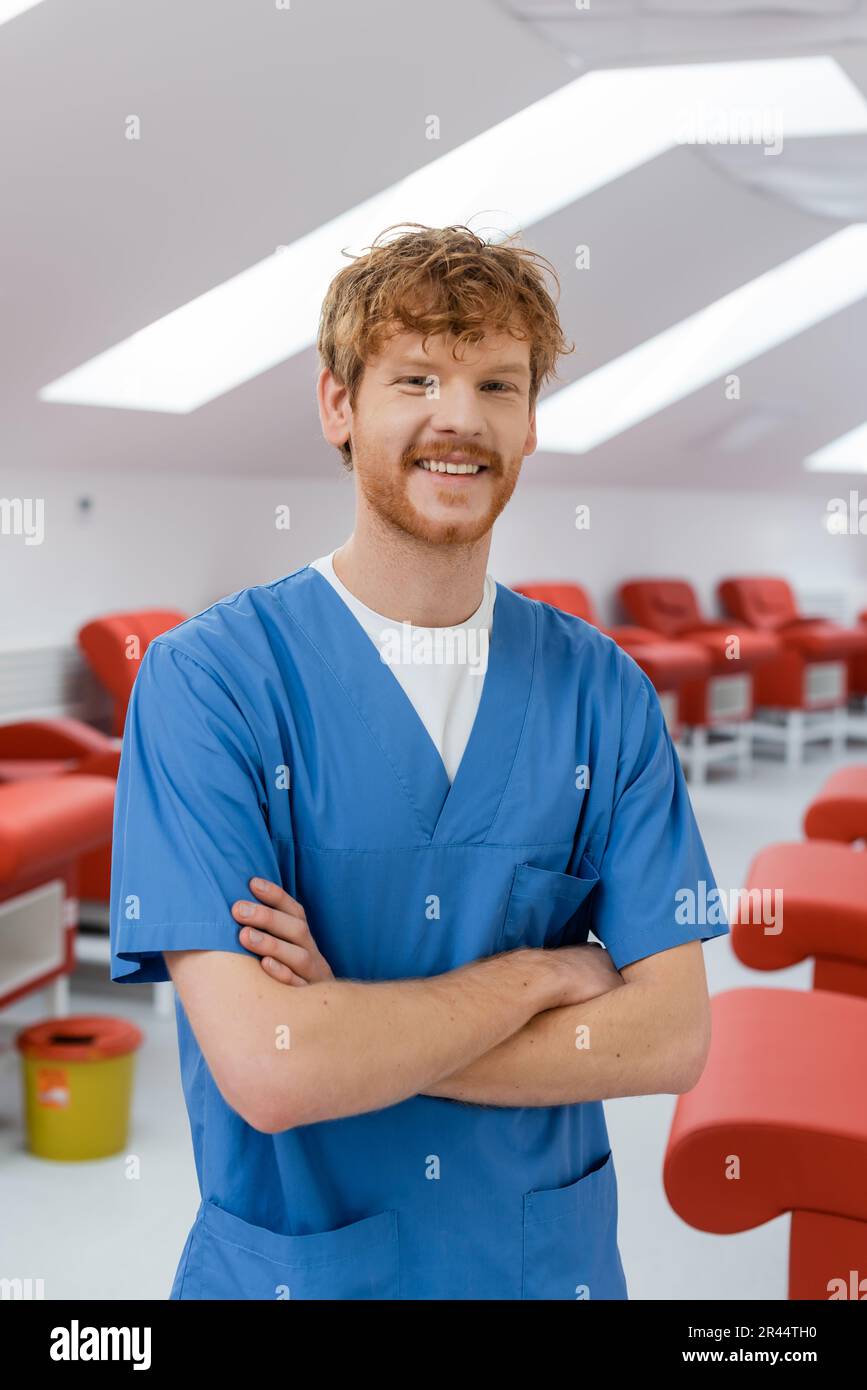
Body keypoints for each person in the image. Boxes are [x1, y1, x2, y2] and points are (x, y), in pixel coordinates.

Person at [110, 222, 728, 1300]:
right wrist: (542, 975)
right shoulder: (210, 683)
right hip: (306, 1270)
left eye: (498, 383)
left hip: (543, 1268)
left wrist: (351, 1021)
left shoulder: (602, 693)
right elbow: (271, 1066)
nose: (460, 417)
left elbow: (670, 1037)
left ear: (531, 423)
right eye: (416, 377)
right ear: (338, 405)